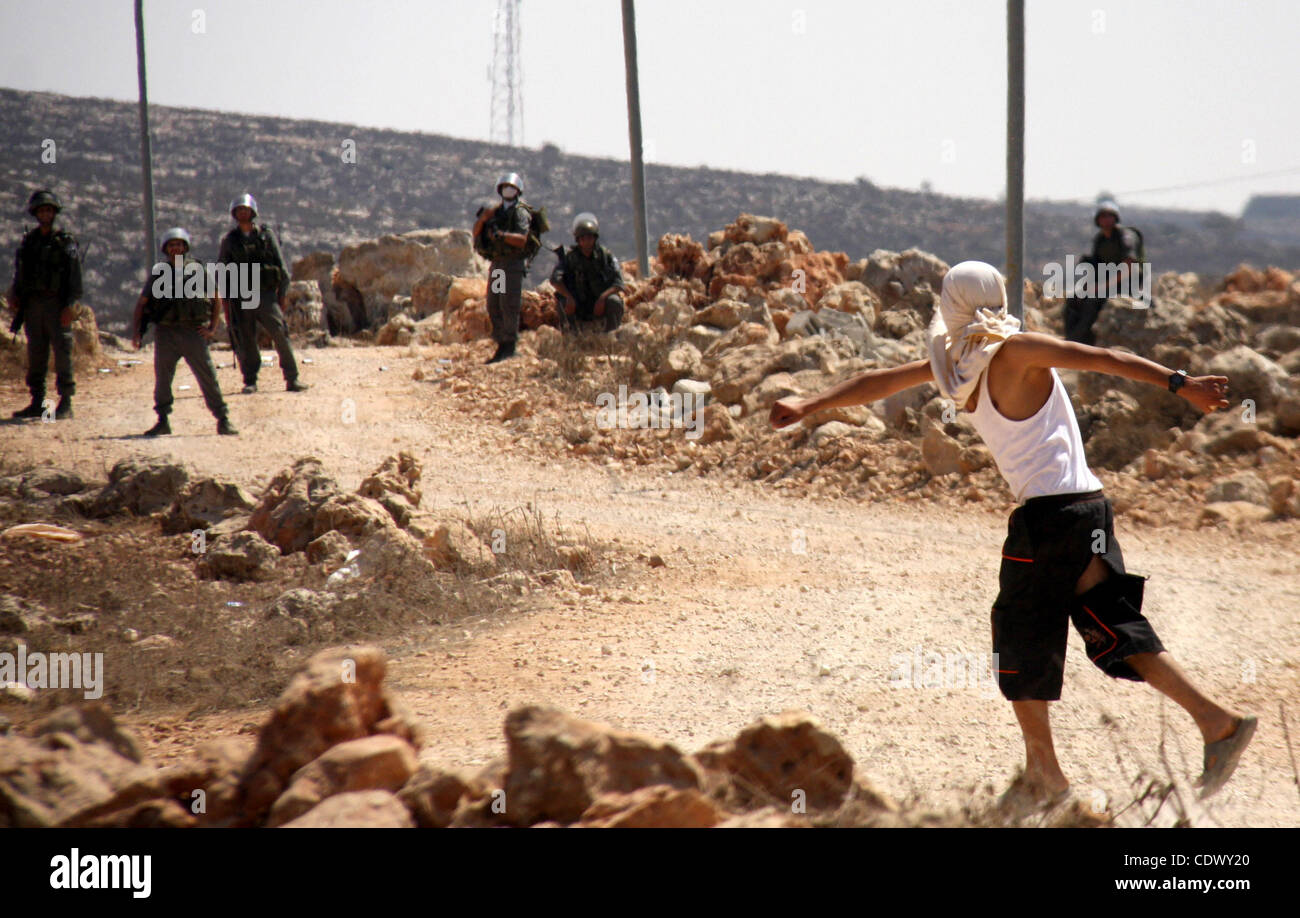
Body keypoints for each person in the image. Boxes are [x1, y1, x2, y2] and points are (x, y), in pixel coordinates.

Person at [770, 260, 1256, 806]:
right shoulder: (958, 364)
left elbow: (1106, 358)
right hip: (1085, 510)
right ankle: (1219, 724)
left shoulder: (1013, 351)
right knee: (1111, 623)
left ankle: (1045, 775)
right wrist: (811, 404)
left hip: (1052, 518)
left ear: (952, 305)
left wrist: (1180, 384)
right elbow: (879, 381)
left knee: (1018, 637)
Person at [131, 227, 237, 437]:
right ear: (166, 249)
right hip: (166, 333)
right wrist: (137, 333)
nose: (176, 248)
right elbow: (142, 304)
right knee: (162, 379)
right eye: (172, 245)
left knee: (207, 376)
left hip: (192, 333)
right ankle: (162, 420)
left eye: (179, 244)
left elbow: (216, 300)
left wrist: (212, 329)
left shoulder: (198, 270)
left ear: (186, 247)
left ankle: (223, 419)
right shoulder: (160, 273)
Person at [216, 194, 308, 393]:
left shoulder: (266, 236)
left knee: (280, 334)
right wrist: (225, 300)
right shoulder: (230, 241)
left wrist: (281, 294)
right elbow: (222, 272)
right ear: (235, 214)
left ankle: (292, 378)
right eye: (239, 210)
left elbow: (281, 268)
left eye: (246, 210)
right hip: (242, 296)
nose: (243, 213)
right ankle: (250, 380)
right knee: (246, 338)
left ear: (252, 212)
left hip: (266, 294)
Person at [7, 189, 83, 420]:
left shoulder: (65, 242)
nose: (45, 214)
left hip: (56, 304)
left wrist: (71, 304)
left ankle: (66, 401)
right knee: (36, 353)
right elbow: (21, 273)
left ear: (55, 213)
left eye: (49, 210)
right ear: (35, 214)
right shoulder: (30, 242)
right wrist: (15, 295)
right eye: (41, 210)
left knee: (62, 353)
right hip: (33, 305)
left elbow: (75, 276)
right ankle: (38, 401)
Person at [472, 172, 534, 363]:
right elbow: (475, 233)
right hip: (498, 265)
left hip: (513, 265)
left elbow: (522, 239)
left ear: (517, 191)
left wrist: (501, 235)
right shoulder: (495, 212)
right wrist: (484, 219)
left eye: (512, 187)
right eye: (505, 187)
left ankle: (510, 345)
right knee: (494, 303)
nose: (508, 190)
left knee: (509, 304)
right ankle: (501, 343)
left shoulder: (520, 212)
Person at [1064, 199, 1135, 345]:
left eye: (1109, 216)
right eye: (1103, 216)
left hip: (1125, 284)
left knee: (1092, 302)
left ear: (1115, 217)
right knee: (1073, 301)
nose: (1106, 219)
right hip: (1106, 282)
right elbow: (1095, 266)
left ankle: (1076, 343)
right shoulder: (1100, 239)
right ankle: (1071, 340)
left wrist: (1101, 287)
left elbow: (1128, 267)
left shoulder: (1124, 236)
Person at [550, 212, 626, 334]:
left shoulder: (605, 256)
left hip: (598, 301)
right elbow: (555, 280)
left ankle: (611, 335)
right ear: (578, 240)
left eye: (589, 238)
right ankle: (571, 337)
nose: (586, 242)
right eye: (582, 239)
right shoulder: (570, 258)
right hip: (577, 302)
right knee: (562, 303)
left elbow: (619, 283)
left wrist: (602, 298)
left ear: (595, 238)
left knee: (615, 302)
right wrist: (569, 297)